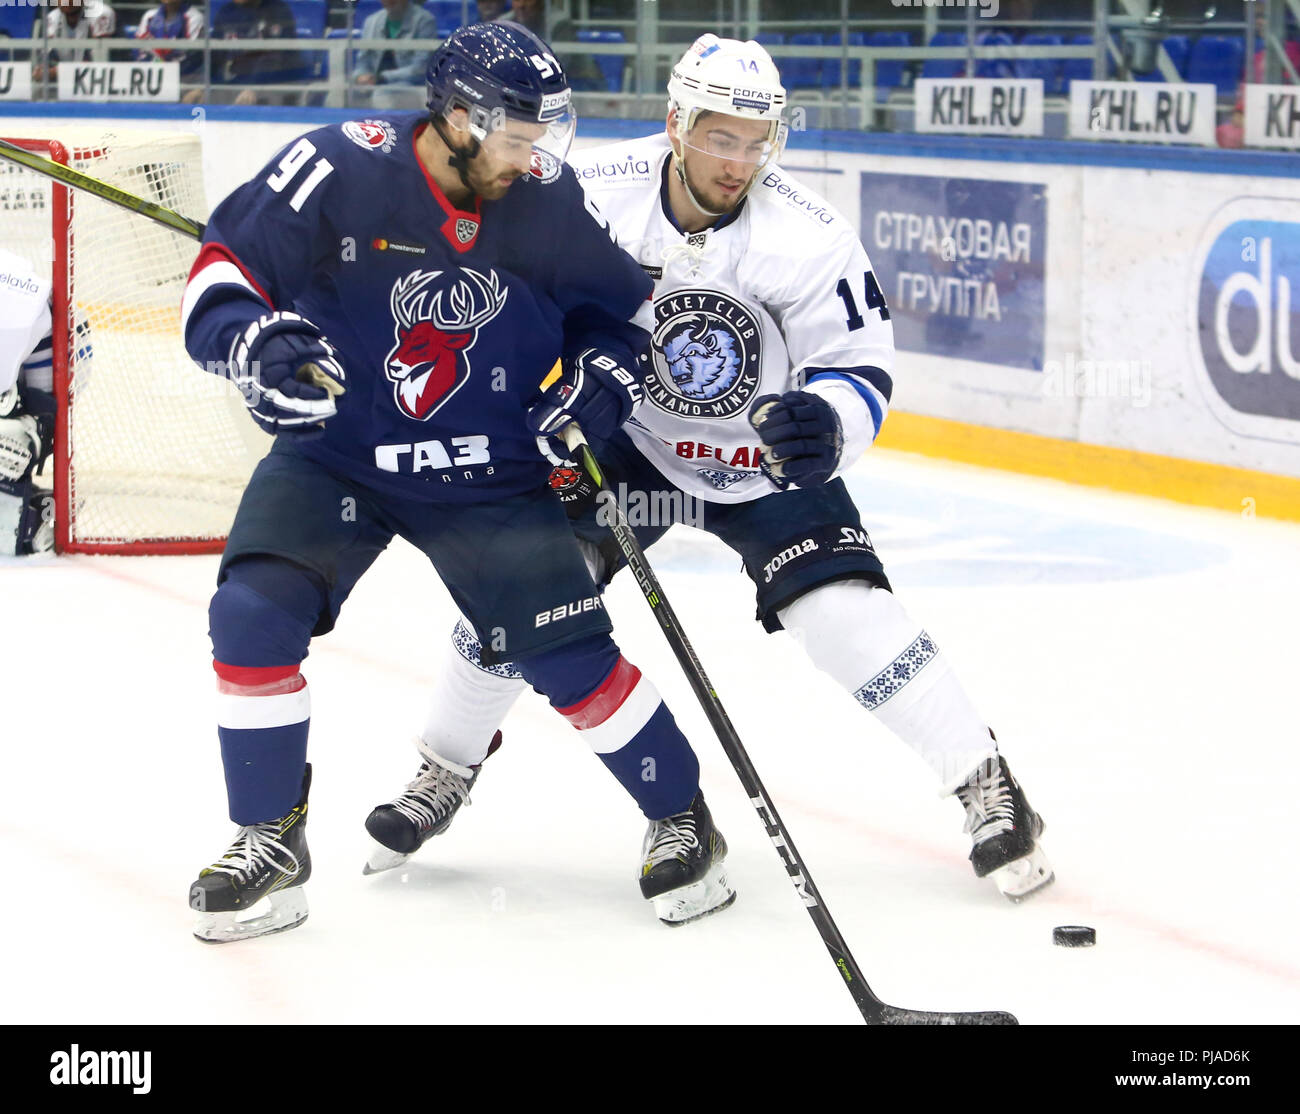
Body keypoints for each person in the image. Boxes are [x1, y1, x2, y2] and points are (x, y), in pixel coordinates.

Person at [370, 34, 1054, 906]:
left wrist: (827, 422)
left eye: (756, 140)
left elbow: (862, 362)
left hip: (755, 460)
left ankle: (987, 784)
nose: (738, 162)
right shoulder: (593, 194)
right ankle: (444, 769)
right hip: (631, 445)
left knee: (843, 618)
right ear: (675, 124)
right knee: (521, 595)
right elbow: (516, 299)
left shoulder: (808, 237)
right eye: (719, 138)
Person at [182, 20, 733, 943]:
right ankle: (268, 838)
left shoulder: (546, 200)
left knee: (568, 659)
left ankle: (684, 816)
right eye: (518, 135)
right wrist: (251, 342)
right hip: (339, 454)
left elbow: (623, 319)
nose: (534, 156)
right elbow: (219, 273)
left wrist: (601, 382)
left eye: (541, 135)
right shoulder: (338, 168)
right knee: (251, 613)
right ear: (457, 116)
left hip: (489, 470)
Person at [0, 247, 56, 557]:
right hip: (37, 328)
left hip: (54, 346)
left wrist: (34, 427)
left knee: (12, 445)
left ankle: (30, 515)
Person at [206, 0, 300, 106]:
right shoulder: (226, 11)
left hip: (270, 83)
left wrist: (253, 86)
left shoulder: (278, 11)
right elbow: (213, 56)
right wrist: (202, 85)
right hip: (232, 84)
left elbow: (277, 58)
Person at [498, 0, 604, 91]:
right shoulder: (504, 23)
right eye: (517, 0)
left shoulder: (559, 23)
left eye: (528, 0)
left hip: (581, 85)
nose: (521, 5)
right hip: (533, 86)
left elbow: (556, 67)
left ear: (541, 3)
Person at [353, 0, 439, 109]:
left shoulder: (425, 20)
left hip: (408, 85)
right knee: (338, 93)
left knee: (383, 95)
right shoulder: (371, 21)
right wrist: (361, 76)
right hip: (373, 83)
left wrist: (382, 78)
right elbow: (363, 61)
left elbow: (420, 68)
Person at [31, 0, 117, 83]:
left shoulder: (101, 13)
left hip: (101, 82)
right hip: (65, 85)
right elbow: (42, 63)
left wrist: (59, 72)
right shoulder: (52, 18)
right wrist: (43, 71)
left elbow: (100, 65)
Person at [134, 0, 205, 83]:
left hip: (183, 78)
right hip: (150, 75)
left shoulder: (195, 17)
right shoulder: (149, 16)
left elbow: (188, 56)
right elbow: (139, 51)